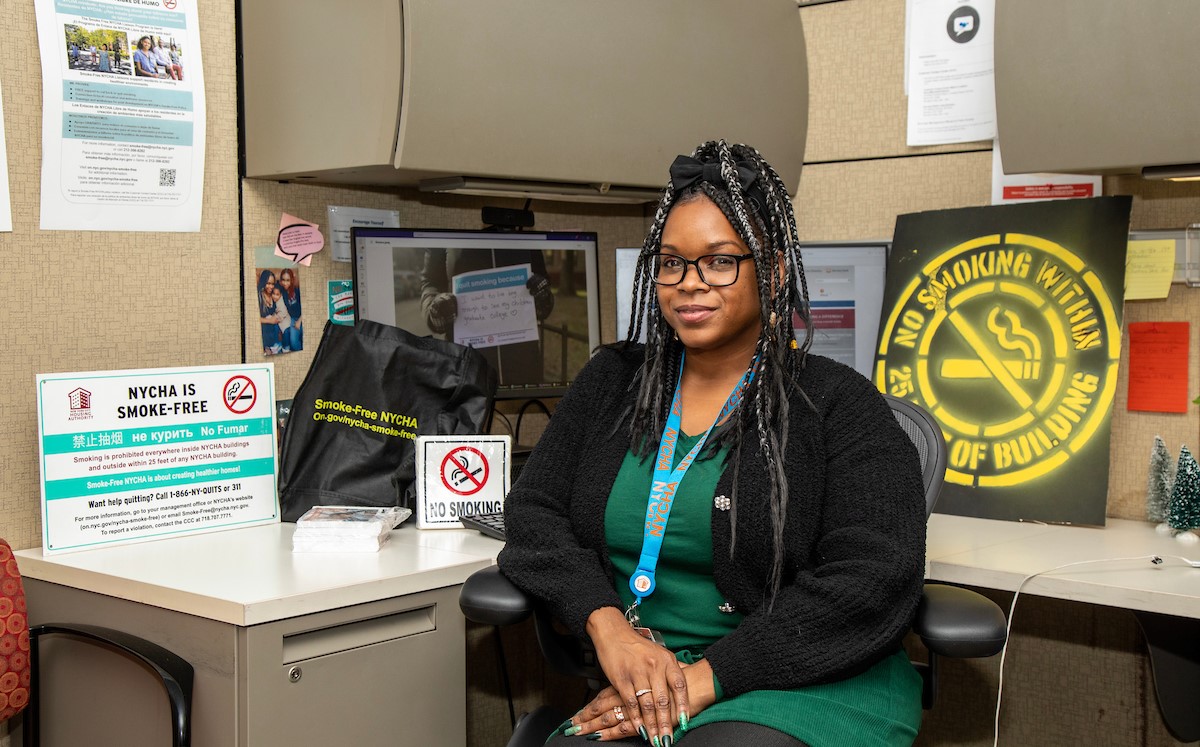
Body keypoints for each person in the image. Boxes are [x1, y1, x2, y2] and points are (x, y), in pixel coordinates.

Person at [497, 141, 927, 747]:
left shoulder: (836, 404)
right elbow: (534, 512)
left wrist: (705, 680)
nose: (689, 285)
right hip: (649, 681)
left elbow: (873, 574)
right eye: (670, 263)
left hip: (803, 683)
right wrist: (607, 626)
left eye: (720, 261)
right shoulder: (613, 382)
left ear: (773, 273)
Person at [419, 246, 554, 386]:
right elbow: (430, 283)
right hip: (467, 368)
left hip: (524, 367)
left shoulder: (526, 232)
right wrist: (434, 308)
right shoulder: (443, 230)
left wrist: (543, 299)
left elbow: (542, 281)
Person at [277, 267, 303, 352]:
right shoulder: (282, 291)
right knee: (294, 344)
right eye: (283, 280)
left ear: (292, 280)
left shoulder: (297, 291)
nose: (285, 283)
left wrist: (299, 321)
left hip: (301, 318)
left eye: (288, 280)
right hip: (292, 319)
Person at [257, 270, 282, 354]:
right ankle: (266, 348)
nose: (271, 287)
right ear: (263, 282)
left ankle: (274, 347)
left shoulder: (274, 294)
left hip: (274, 329)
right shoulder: (259, 296)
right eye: (268, 283)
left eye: (272, 284)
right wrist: (269, 320)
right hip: (265, 329)